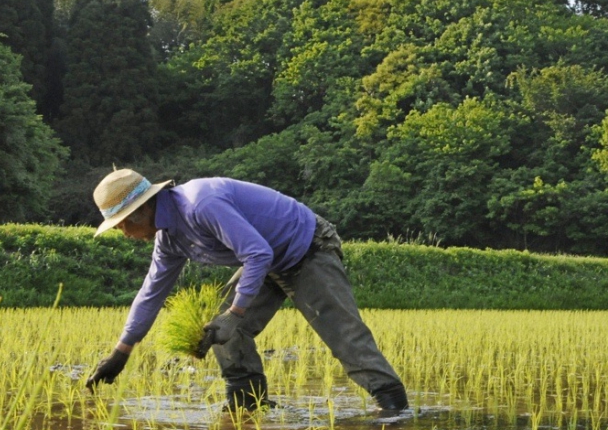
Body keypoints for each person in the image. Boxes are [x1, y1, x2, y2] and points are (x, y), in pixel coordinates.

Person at [84, 168, 409, 412]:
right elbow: (150, 293)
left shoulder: (200, 204)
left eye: (123, 224)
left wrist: (236, 312)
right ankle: (248, 402)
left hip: (306, 247)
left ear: (142, 210)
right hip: (268, 261)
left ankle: (395, 408)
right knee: (219, 328)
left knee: (342, 334)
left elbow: (257, 253)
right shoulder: (168, 237)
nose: (124, 233)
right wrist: (120, 353)